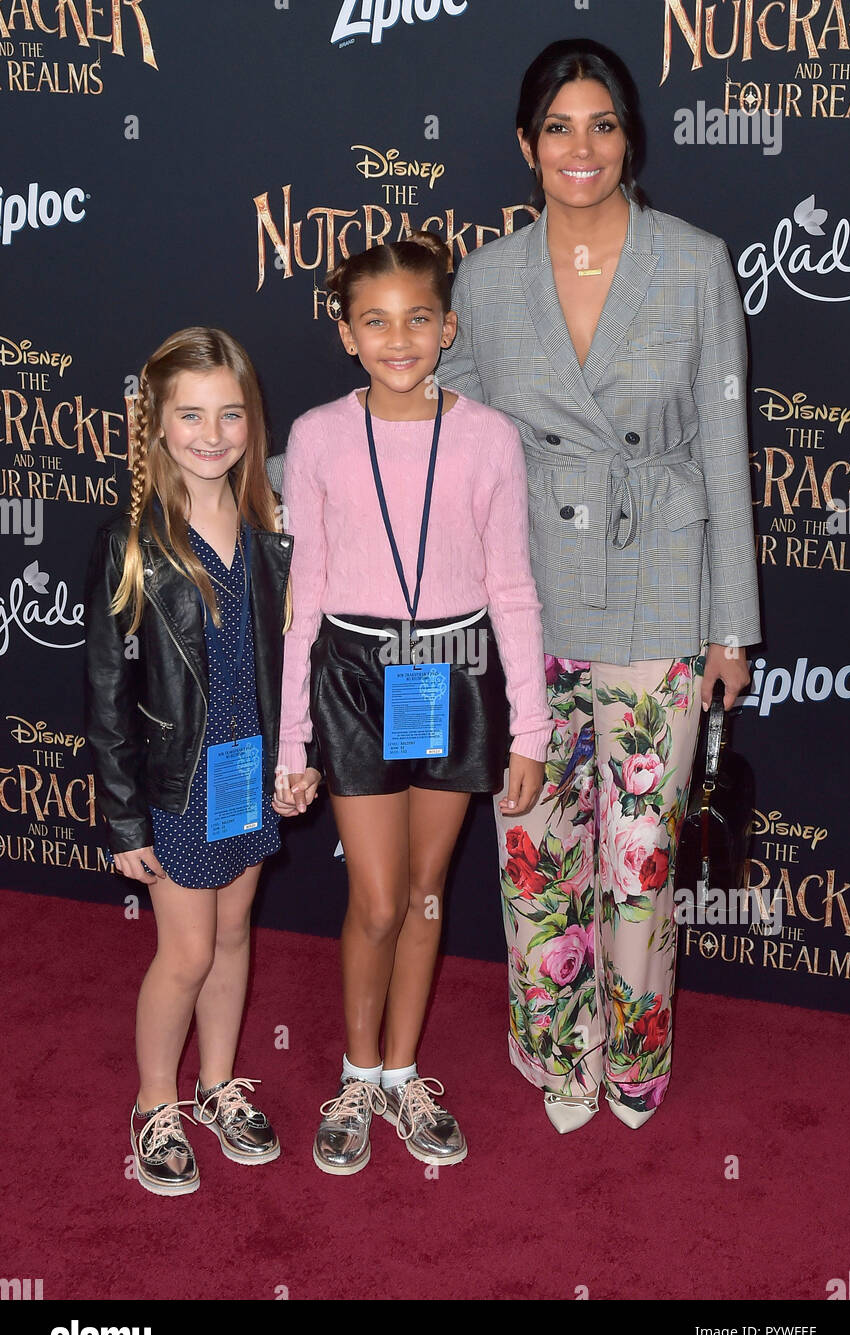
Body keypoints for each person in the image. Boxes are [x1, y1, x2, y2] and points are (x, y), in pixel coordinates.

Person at [436, 38, 761, 1132]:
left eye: (603, 125)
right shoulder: (482, 280)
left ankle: (632, 1055)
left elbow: (723, 443)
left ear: (631, 138)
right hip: (525, 592)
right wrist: (290, 479)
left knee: (637, 848)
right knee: (533, 843)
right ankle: (551, 1050)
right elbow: (441, 439)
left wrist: (731, 625)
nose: (582, 148)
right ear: (525, 147)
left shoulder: (694, 261)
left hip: (660, 579)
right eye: (559, 128)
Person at [275, 231, 552, 1174]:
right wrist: (291, 740)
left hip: (455, 669)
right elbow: (302, 598)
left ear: (449, 327)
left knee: (428, 894)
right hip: (353, 671)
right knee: (380, 897)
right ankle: (355, 1075)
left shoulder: (488, 437)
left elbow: (514, 588)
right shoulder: (315, 436)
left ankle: (401, 1075)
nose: (400, 340)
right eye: (376, 322)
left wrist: (532, 726)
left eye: (420, 319)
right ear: (347, 333)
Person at [84, 327, 321, 1195]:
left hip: (248, 774)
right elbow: (108, 694)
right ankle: (155, 1103)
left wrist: (294, 757)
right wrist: (123, 817)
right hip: (177, 786)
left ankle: (217, 1086)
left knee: (231, 935)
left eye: (230, 414)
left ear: (253, 423)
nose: (212, 434)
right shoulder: (135, 542)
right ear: (157, 423)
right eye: (191, 415)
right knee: (182, 954)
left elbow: (291, 658)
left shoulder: (271, 530)